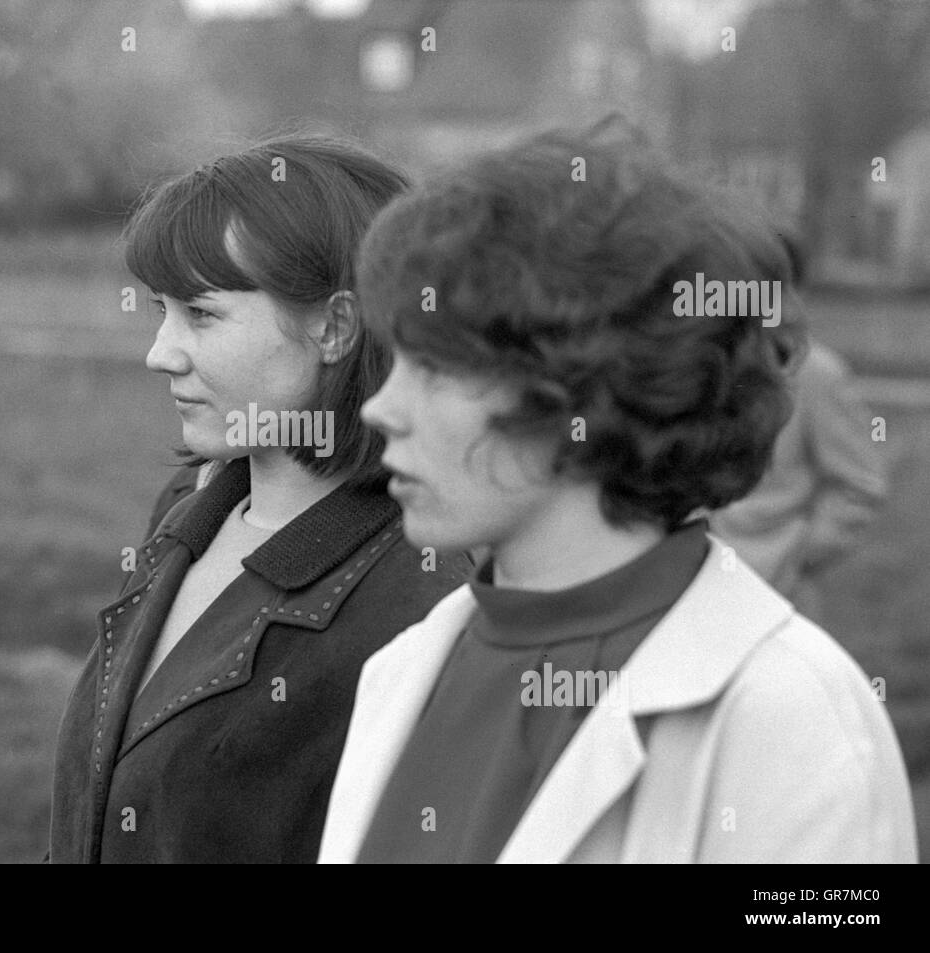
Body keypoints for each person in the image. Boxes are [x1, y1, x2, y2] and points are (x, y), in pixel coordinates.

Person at [318, 122, 916, 863]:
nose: (381, 406)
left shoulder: (795, 714)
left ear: (586, 388)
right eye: (397, 359)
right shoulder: (407, 667)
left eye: (437, 367)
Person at [48, 134, 471, 863]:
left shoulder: (425, 599)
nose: (160, 351)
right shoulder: (189, 507)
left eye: (200, 314)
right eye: (161, 309)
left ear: (335, 327)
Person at [710, 337, 888, 621]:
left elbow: (858, 483)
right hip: (674, 590)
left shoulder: (816, 372)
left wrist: (799, 557)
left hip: (776, 592)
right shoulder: (665, 358)